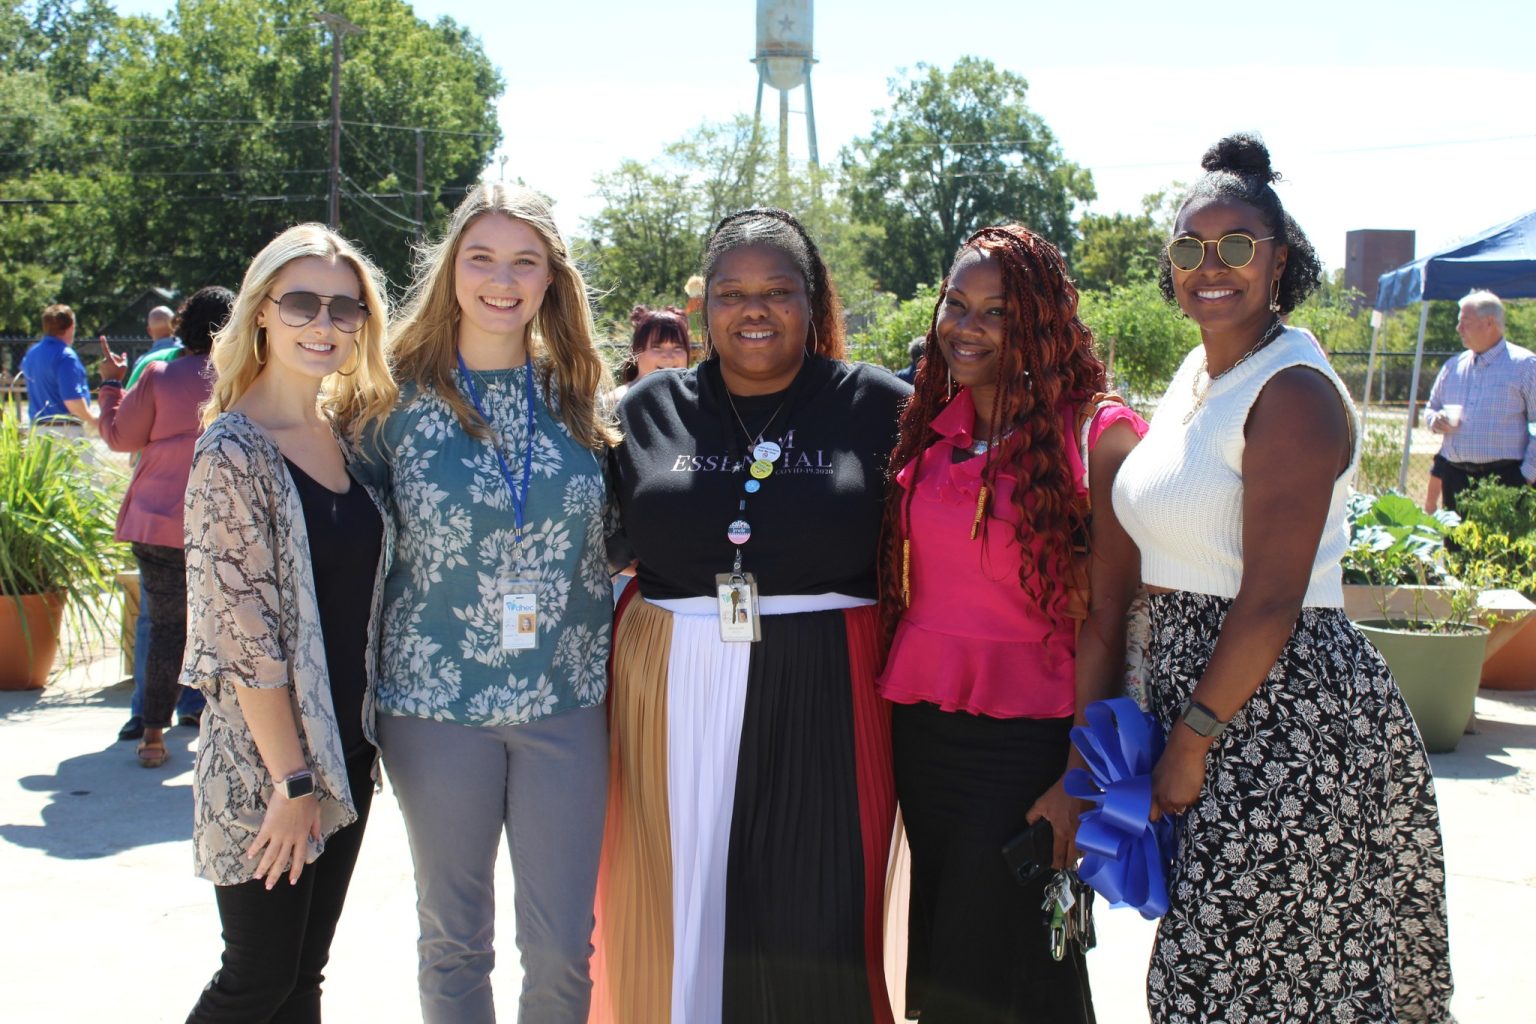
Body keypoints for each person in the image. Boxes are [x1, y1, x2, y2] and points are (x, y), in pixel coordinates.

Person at [1112, 133, 1454, 1022]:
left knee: (1243, 981)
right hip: (1217, 702)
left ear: (1280, 260)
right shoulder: (1201, 372)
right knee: (1235, 975)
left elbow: (1270, 599)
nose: (1209, 266)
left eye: (1235, 246)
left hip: (1286, 720)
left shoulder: (1292, 390)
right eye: (1189, 248)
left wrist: (1189, 741)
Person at [594, 207, 910, 1024]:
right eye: (732, 292)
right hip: (672, 679)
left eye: (778, 290)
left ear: (813, 301)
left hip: (832, 680)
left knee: (825, 906)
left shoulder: (879, 405)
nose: (754, 308)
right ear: (704, 309)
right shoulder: (643, 411)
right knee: (681, 903)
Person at [875, 225, 1146, 1023]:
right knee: (950, 956)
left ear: (1039, 320)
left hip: (1032, 744)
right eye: (956, 305)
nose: (967, 326)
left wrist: (1079, 774)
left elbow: (1108, 621)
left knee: (1026, 964)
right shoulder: (935, 426)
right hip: (925, 732)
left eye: (995, 311)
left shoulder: (1096, 436)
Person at [367, 183, 616, 1024]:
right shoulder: (387, 402)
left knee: (559, 950)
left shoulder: (583, 399)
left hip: (566, 704)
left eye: (524, 261)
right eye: (481, 258)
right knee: (454, 940)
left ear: (552, 280)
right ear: (450, 272)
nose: (501, 279)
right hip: (435, 706)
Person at [180, 223, 398, 1022]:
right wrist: (291, 782)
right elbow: (245, 646)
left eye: (345, 309)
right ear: (262, 311)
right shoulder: (233, 451)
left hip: (348, 749)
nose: (324, 324)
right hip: (270, 768)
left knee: (304, 977)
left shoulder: (344, 438)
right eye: (302, 302)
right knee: (257, 980)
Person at [97, 286, 233, 766]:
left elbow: (118, 437)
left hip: (157, 521)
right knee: (222, 626)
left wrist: (111, 385)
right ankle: (214, 723)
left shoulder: (157, 375)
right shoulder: (247, 379)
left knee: (165, 627)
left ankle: (152, 734)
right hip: (223, 522)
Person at [1423, 289, 1536, 511]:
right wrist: (1434, 420)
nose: (1458, 328)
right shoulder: (1452, 367)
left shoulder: (1525, 366)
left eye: (1465, 322)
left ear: (1489, 323)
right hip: (1456, 479)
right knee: (1457, 546)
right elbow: (1430, 408)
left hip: (1506, 480)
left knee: (1501, 547)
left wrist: (1526, 476)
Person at [19, 304, 98, 434]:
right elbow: (72, 400)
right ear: (71, 326)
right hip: (65, 431)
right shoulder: (66, 356)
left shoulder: (32, 354)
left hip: (38, 429)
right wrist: (94, 421)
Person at [610, 303, 692, 404]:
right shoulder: (615, 403)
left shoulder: (699, 402)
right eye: (657, 348)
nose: (668, 356)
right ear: (636, 352)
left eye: (678, 348)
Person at [124, 304, 185, 389]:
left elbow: (131, 398)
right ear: (176, 325)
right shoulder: (189, 354)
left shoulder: (142, 363)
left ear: (149, 331)